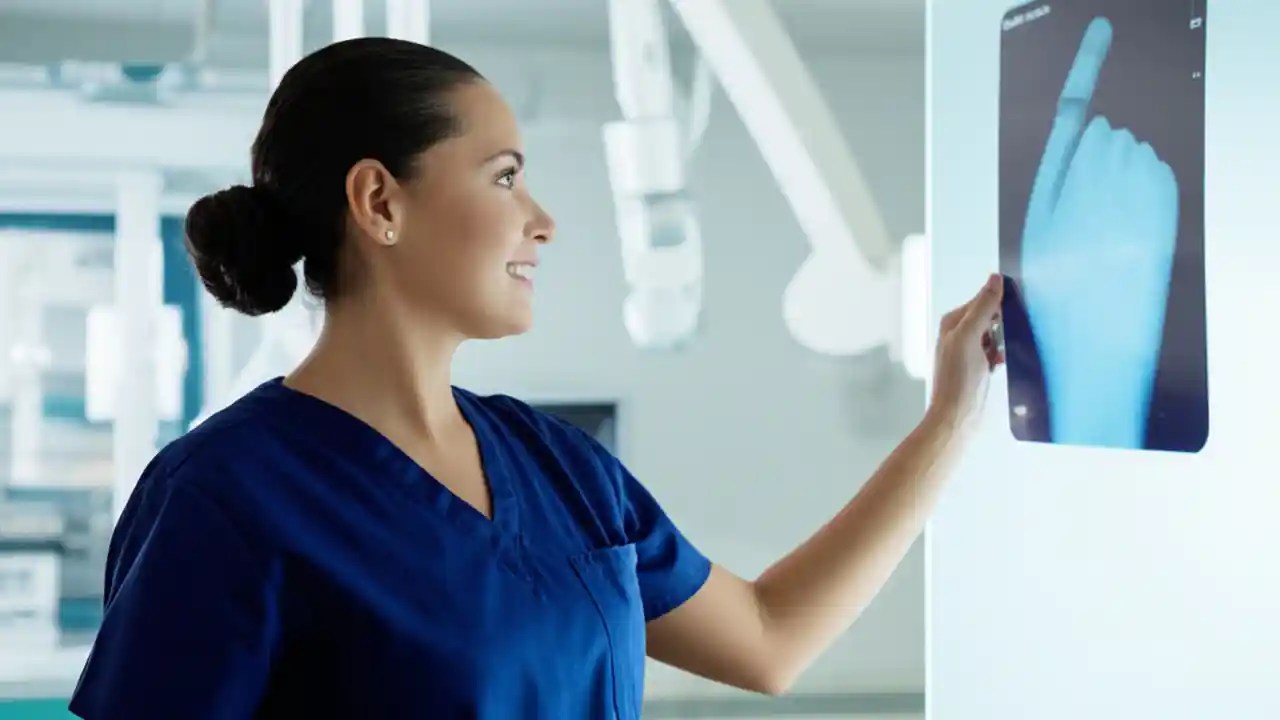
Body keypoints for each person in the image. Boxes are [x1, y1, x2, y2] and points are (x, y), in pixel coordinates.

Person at [68, 38, 1004, 719]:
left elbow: (769, 638)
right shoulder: (225, 497)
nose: (542, 220)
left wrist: (950, 421)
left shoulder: (559, 466)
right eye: (506, 177)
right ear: (380, 202)